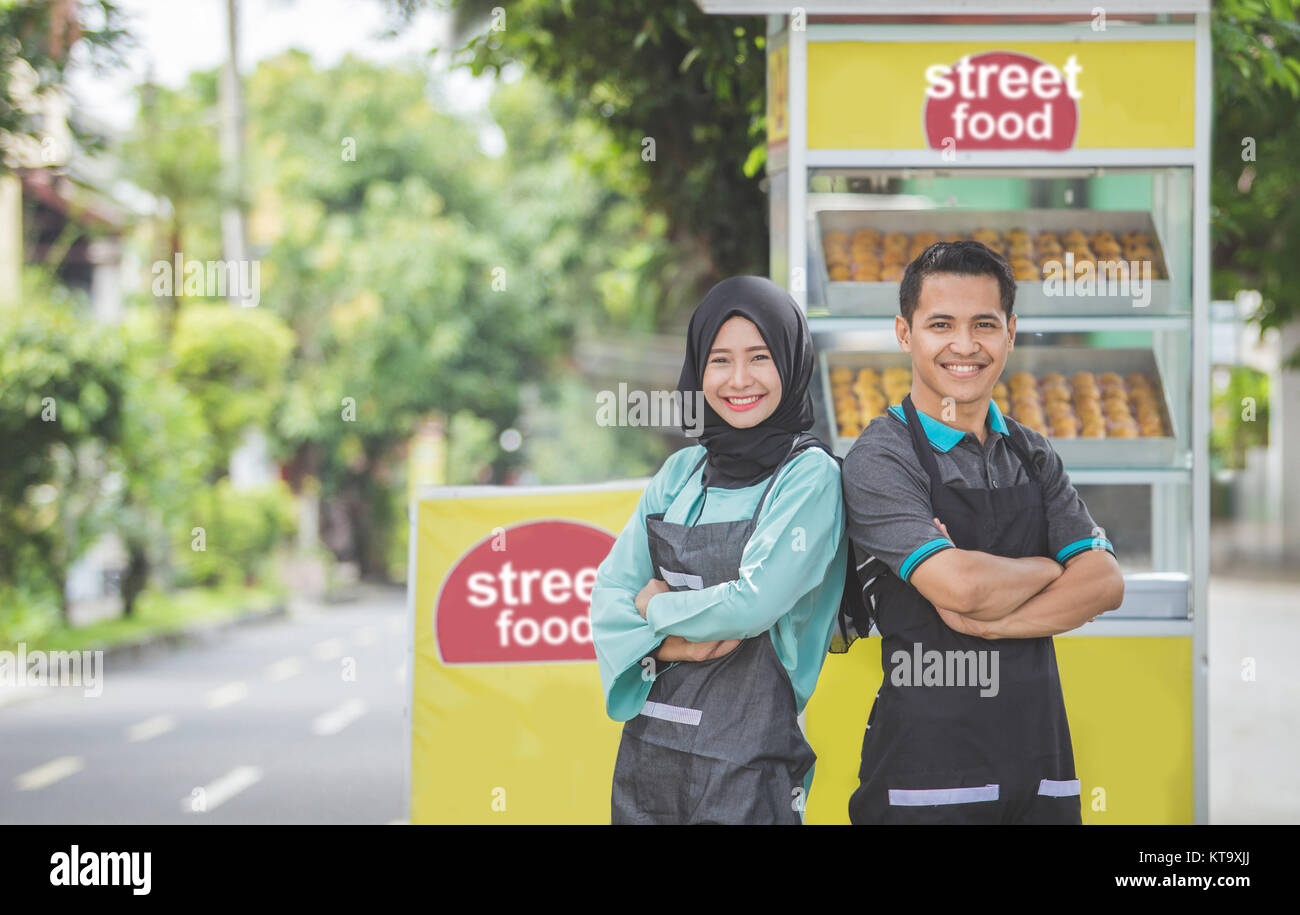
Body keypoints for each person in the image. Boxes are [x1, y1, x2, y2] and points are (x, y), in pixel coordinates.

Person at [838, 241, 1125, 825]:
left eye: (984, 325)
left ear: (1011, 333)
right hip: (927, 781)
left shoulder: (1032, 451)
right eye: (941, 324)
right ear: (904, 332)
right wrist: (1049, 569)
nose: (965, 346)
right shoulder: (881, 458)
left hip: (1040, 770)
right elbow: (961, 587)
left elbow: (1103, 583)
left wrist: (987, 617)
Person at [589, 275, 848, 825]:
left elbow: (751, 606)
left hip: (747, 768)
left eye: (759, 357)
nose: (739, 380)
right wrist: (676, 647)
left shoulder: (808, 477)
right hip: (647, 758)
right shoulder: (682, 473)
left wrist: (654, 609)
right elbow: (609, 593)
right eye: (719, 360)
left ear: (791, 360)